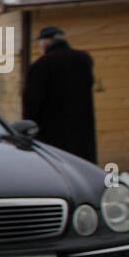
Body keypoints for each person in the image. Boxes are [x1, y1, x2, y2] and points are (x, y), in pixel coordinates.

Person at [24, 25, 97, 163]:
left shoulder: (42, 65)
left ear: (46, 42)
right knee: (82, 164)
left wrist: (29, 126)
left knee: (59, 165)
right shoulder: (84, 59)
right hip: (82, 125)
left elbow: (32, 100)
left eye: (40, 42)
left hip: (52, 131)